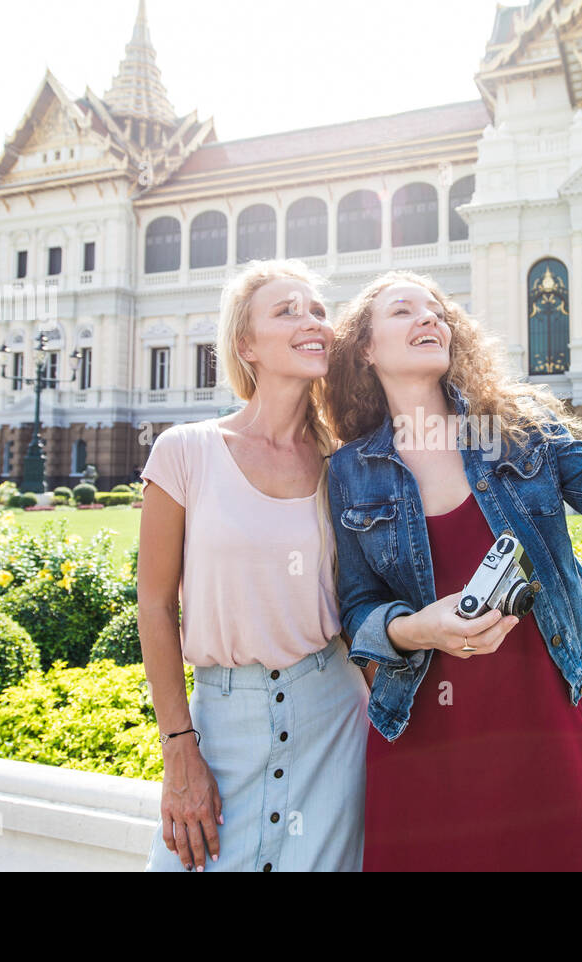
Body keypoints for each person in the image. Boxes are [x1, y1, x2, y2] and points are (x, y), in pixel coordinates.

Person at [325, 241, 582, 872]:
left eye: (438, 311)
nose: (430, 318)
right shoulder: (349, 472)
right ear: (366, 350)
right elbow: (356, 608)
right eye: (403, 311)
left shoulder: (518, 426)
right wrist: (416, 628)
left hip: (539, 706)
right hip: (420, 721)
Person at [137, 261, 369, 873]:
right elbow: (155, 607)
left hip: (335, 724)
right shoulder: (185, 452)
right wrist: (179, 751)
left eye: (317, 310)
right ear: (245, 344)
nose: (312, 321)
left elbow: (360, 603)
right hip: (220, 727)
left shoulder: (345, 464)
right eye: (287, 310)